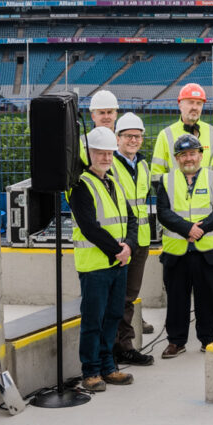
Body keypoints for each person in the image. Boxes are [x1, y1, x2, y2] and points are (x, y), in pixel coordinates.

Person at [69, 126, 135, 391]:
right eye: (100, 153)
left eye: (109, 153)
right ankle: (91, 371)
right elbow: (89, 226)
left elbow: (130, 218)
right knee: (93, 320)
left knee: (113, 316)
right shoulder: (80, 185)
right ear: (89, 153)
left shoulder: (113, 181)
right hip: (96, 265)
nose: (106, 158)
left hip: (118, 263)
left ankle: (108, 366)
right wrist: (117, 250)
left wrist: (129, 245)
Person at [155, 132, 213, 357]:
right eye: (183, 154)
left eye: (193, 154)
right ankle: (176, 341)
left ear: (201, 155)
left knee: (208, 298)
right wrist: (187, 229)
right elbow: (163, 212)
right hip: (176, 252)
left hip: (206, 252)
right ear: (177, 158)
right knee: (177, 299)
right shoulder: (166, 180)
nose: (189, 158)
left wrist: (200, 230)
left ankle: (208, 339)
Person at [111, 113, 155, 368]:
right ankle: (119, 347)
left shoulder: (143, 165)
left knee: (129, 296)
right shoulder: (112, 165)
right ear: (118, 138)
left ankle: (123, 345)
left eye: (137, 136)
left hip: (141, 240)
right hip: (120, 242)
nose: (133, 140)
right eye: (128, 136)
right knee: (117, 297)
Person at [151, 83, 213, 184]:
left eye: (199, 103)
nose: (195, 107)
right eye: (191, 102)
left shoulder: (212, 132)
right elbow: (157, 172)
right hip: (176, 197)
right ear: (180, 104)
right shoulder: (165, 135)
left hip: (206, 196)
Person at [79, 89, 119, 166]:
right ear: (93, 116)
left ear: (115, 115)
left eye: (110, 112)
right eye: (102, 113)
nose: (106, 116)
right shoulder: (82, 142)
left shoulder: (123, 143)